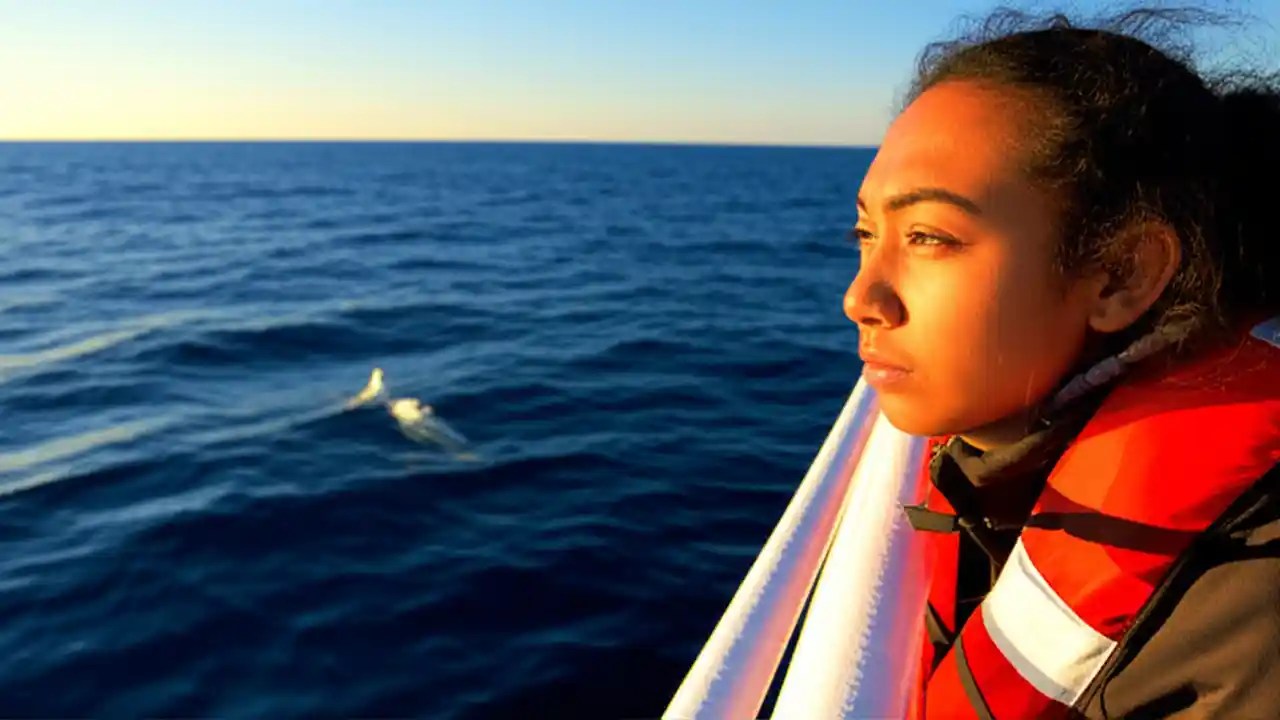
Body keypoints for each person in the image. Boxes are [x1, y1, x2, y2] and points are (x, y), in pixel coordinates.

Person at [843, 7, 1280, 718]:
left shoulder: (1251, 610)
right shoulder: (1003, 471)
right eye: (864, 233)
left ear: (1120, 276)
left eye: (927, 236)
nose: (860, 297)